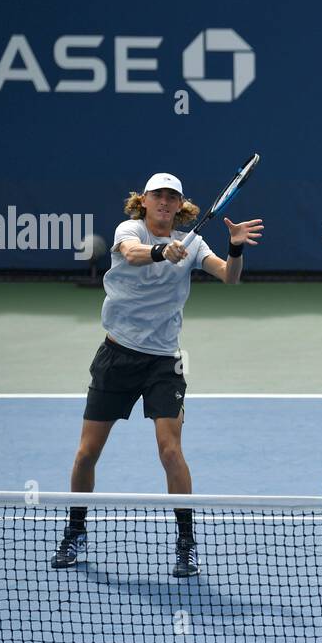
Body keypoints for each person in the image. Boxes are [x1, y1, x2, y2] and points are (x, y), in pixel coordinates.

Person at [49, 171, 263, 577]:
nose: (164, 202)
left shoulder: (194, 242)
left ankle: (186, 544)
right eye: (157, 196)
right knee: (86, 453)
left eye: (172, 197)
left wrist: (235, 249)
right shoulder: (128, 229)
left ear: (180, 206)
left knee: (170, 451)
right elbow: (130, 253)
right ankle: (75, 531)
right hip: (117, 355)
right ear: (143, 201)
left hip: (164, 361)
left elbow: (229, 277)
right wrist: (162, 253)